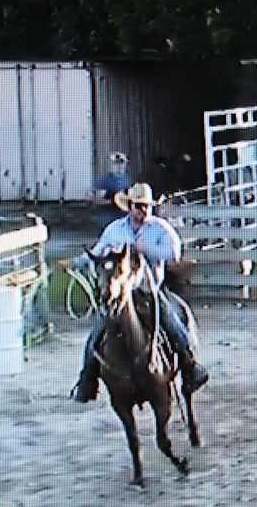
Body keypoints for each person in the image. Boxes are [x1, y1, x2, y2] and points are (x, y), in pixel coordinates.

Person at [64, 182, 209, 402]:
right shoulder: (115, 230)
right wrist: (76, 262)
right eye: (138, 206)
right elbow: (98, 252)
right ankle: (88, 380)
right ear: (129, 206)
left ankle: (190, 366)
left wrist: (145, 249)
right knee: (97, 334)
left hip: (149, 290)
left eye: (146, 206)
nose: (143, 211)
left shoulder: (161, 228)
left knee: (173, 324)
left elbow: (174, 253)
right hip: (121, 295)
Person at [93, 152, 134, 229]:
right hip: (108, 218)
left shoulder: (128, 180)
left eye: (121, 163)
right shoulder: (104, 181)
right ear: (110, 165)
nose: (119, 166)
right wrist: (113, 200)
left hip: (124, 218)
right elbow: (97, 201)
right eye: (115, 163)